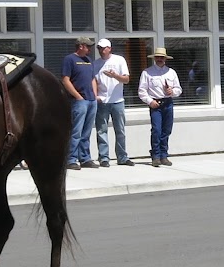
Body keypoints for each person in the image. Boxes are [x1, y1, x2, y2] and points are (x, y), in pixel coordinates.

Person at [92, 37, 134, 166]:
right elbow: (93, 80)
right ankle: (104, 157)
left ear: (109, 48)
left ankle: (122, 157)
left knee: (120, 130)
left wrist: (114, 75)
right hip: (102, 101)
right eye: (99, 48)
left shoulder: (119, 60)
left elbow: (126, 80)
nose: (101, 51)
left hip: (117, 100)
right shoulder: (96, 63)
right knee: (101, 130)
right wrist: (95, 96)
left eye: (104, 48)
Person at [61, 35, 100, 169]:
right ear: (81, 46)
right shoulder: (70, 59)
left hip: (91, 100)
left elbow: (92, 79)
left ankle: (85, 158)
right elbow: (65, 79)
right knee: (76, 131)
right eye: (87, 46)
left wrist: (94, 95)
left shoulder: (88, 60)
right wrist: (78, 96)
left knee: (87, 131)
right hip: (79, 101)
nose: (89, 49)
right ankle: (71, 159)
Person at [138, 47, 181, 166]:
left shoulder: (171, 72)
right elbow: (142, 91)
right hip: (155, 103)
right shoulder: (147, 72)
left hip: (168, 102)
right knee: (156, 130)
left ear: (165, 59)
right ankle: (155, 155)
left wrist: (172, 91)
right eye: (158, 57)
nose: (160, 59)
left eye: (162, 57)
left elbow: (179, 89)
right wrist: (150, 101)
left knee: (166, 130)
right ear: (154, 58)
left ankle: (164, 155)